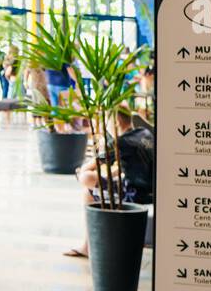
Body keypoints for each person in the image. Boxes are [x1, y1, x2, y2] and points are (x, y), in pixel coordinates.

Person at [65, 109, 154, 258]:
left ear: (116, 122)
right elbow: (130, 166)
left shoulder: (120, 142)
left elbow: (86, 170)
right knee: (95, 184)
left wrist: (82, 172)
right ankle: (91, 245)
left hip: (136, 194)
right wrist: (110, 175)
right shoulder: (142, 132)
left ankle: (88, 247)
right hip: (151, 189)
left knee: (87, 183)